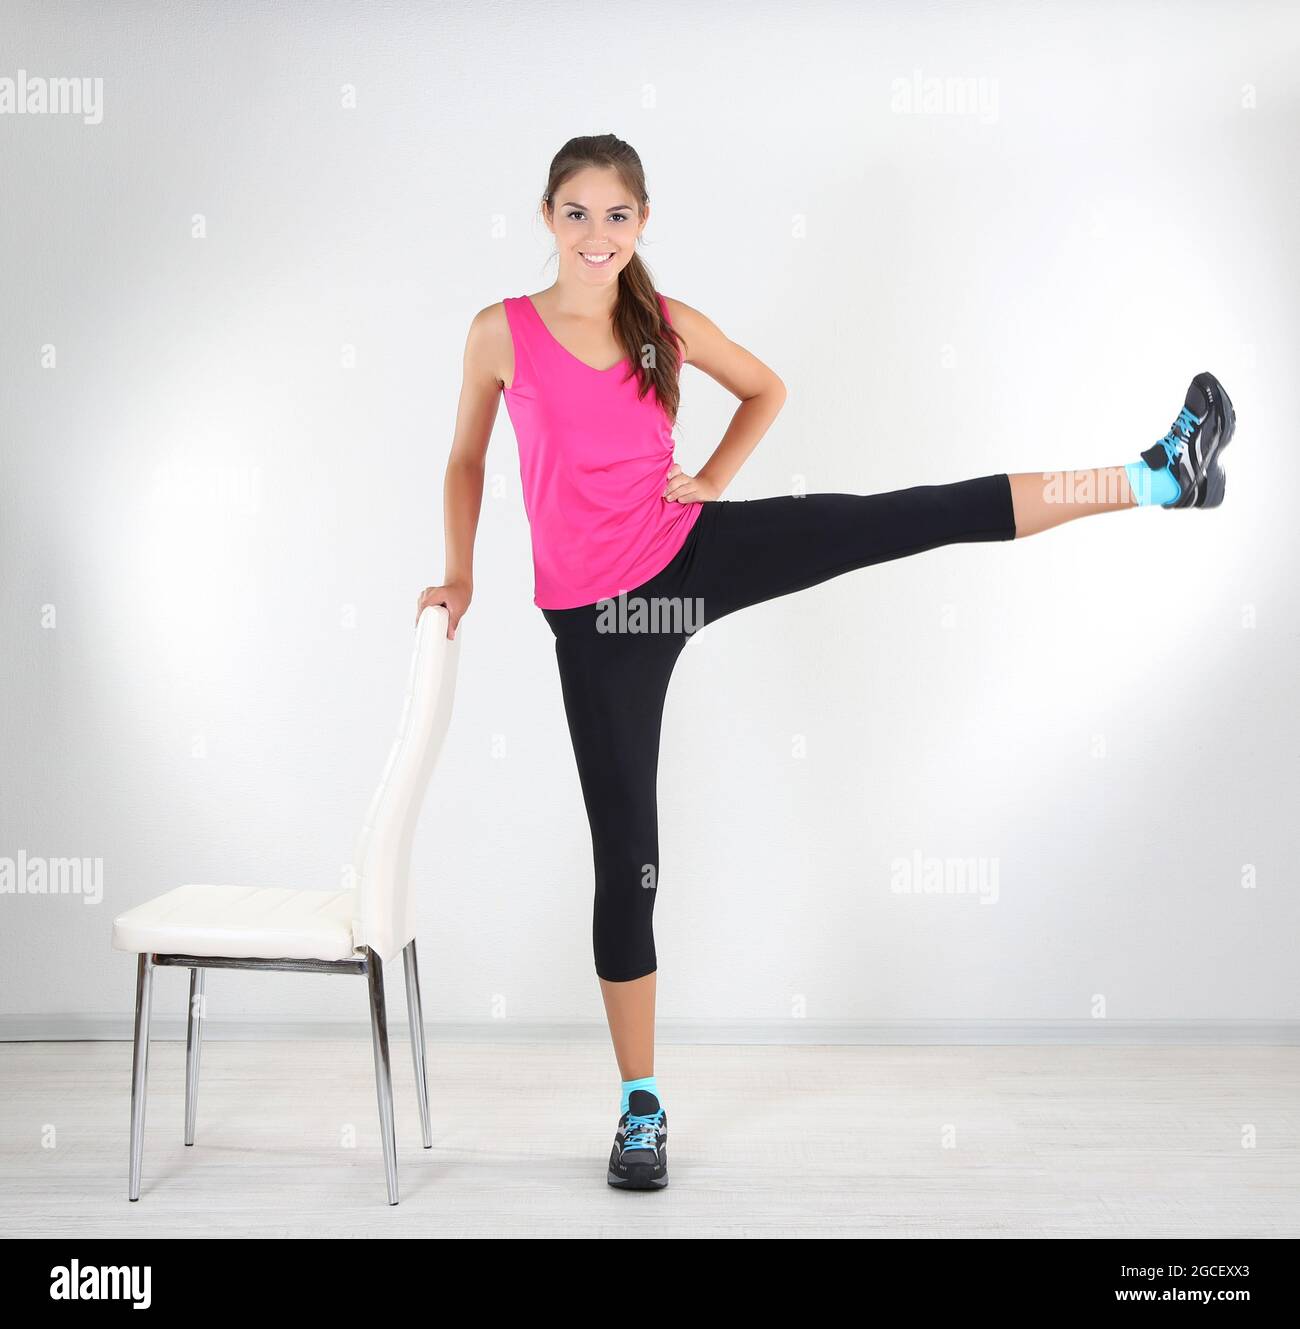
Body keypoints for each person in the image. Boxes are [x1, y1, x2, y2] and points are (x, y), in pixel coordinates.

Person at [416, 133, 1237, 1191]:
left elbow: (765, 390)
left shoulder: (665, 325)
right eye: (576, 213)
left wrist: (709, 478)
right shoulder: (501, 333)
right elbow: (464, 458)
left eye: (616, 216)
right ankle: (639, 1106)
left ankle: (1158, 477)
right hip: (597, 622)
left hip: (689, 554)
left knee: (903, 517)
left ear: (643, 224)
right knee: (627, 865)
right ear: (545, 218)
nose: (596, 234)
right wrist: (461, 574)